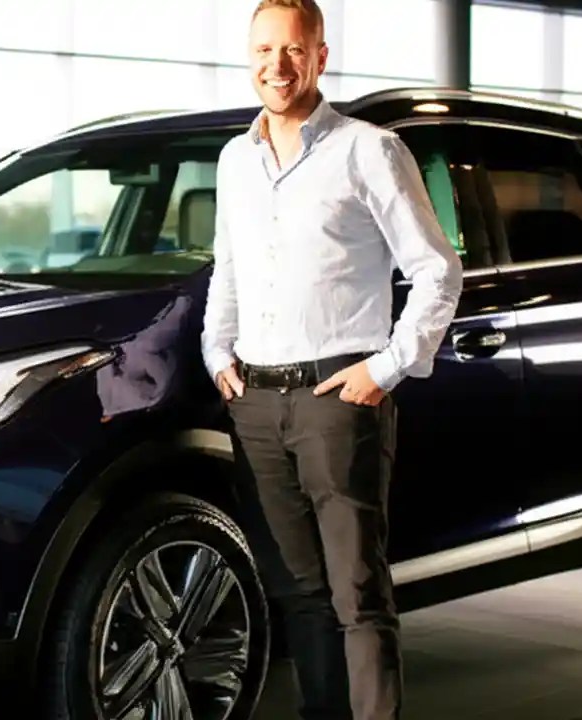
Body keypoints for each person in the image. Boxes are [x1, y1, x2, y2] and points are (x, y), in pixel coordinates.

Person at [201, 1, 463, 718]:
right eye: (263, 50)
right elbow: (229, 267)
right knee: (299, 596)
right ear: (249, 57)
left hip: (337, 400)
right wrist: (217, 350)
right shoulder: (234, 159)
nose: (276, 65)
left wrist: (387, 367)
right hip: (255, 404)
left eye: (292, 49)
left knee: (357, 594)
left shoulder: (368, 150)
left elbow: (437, 271)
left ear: (320, 55)